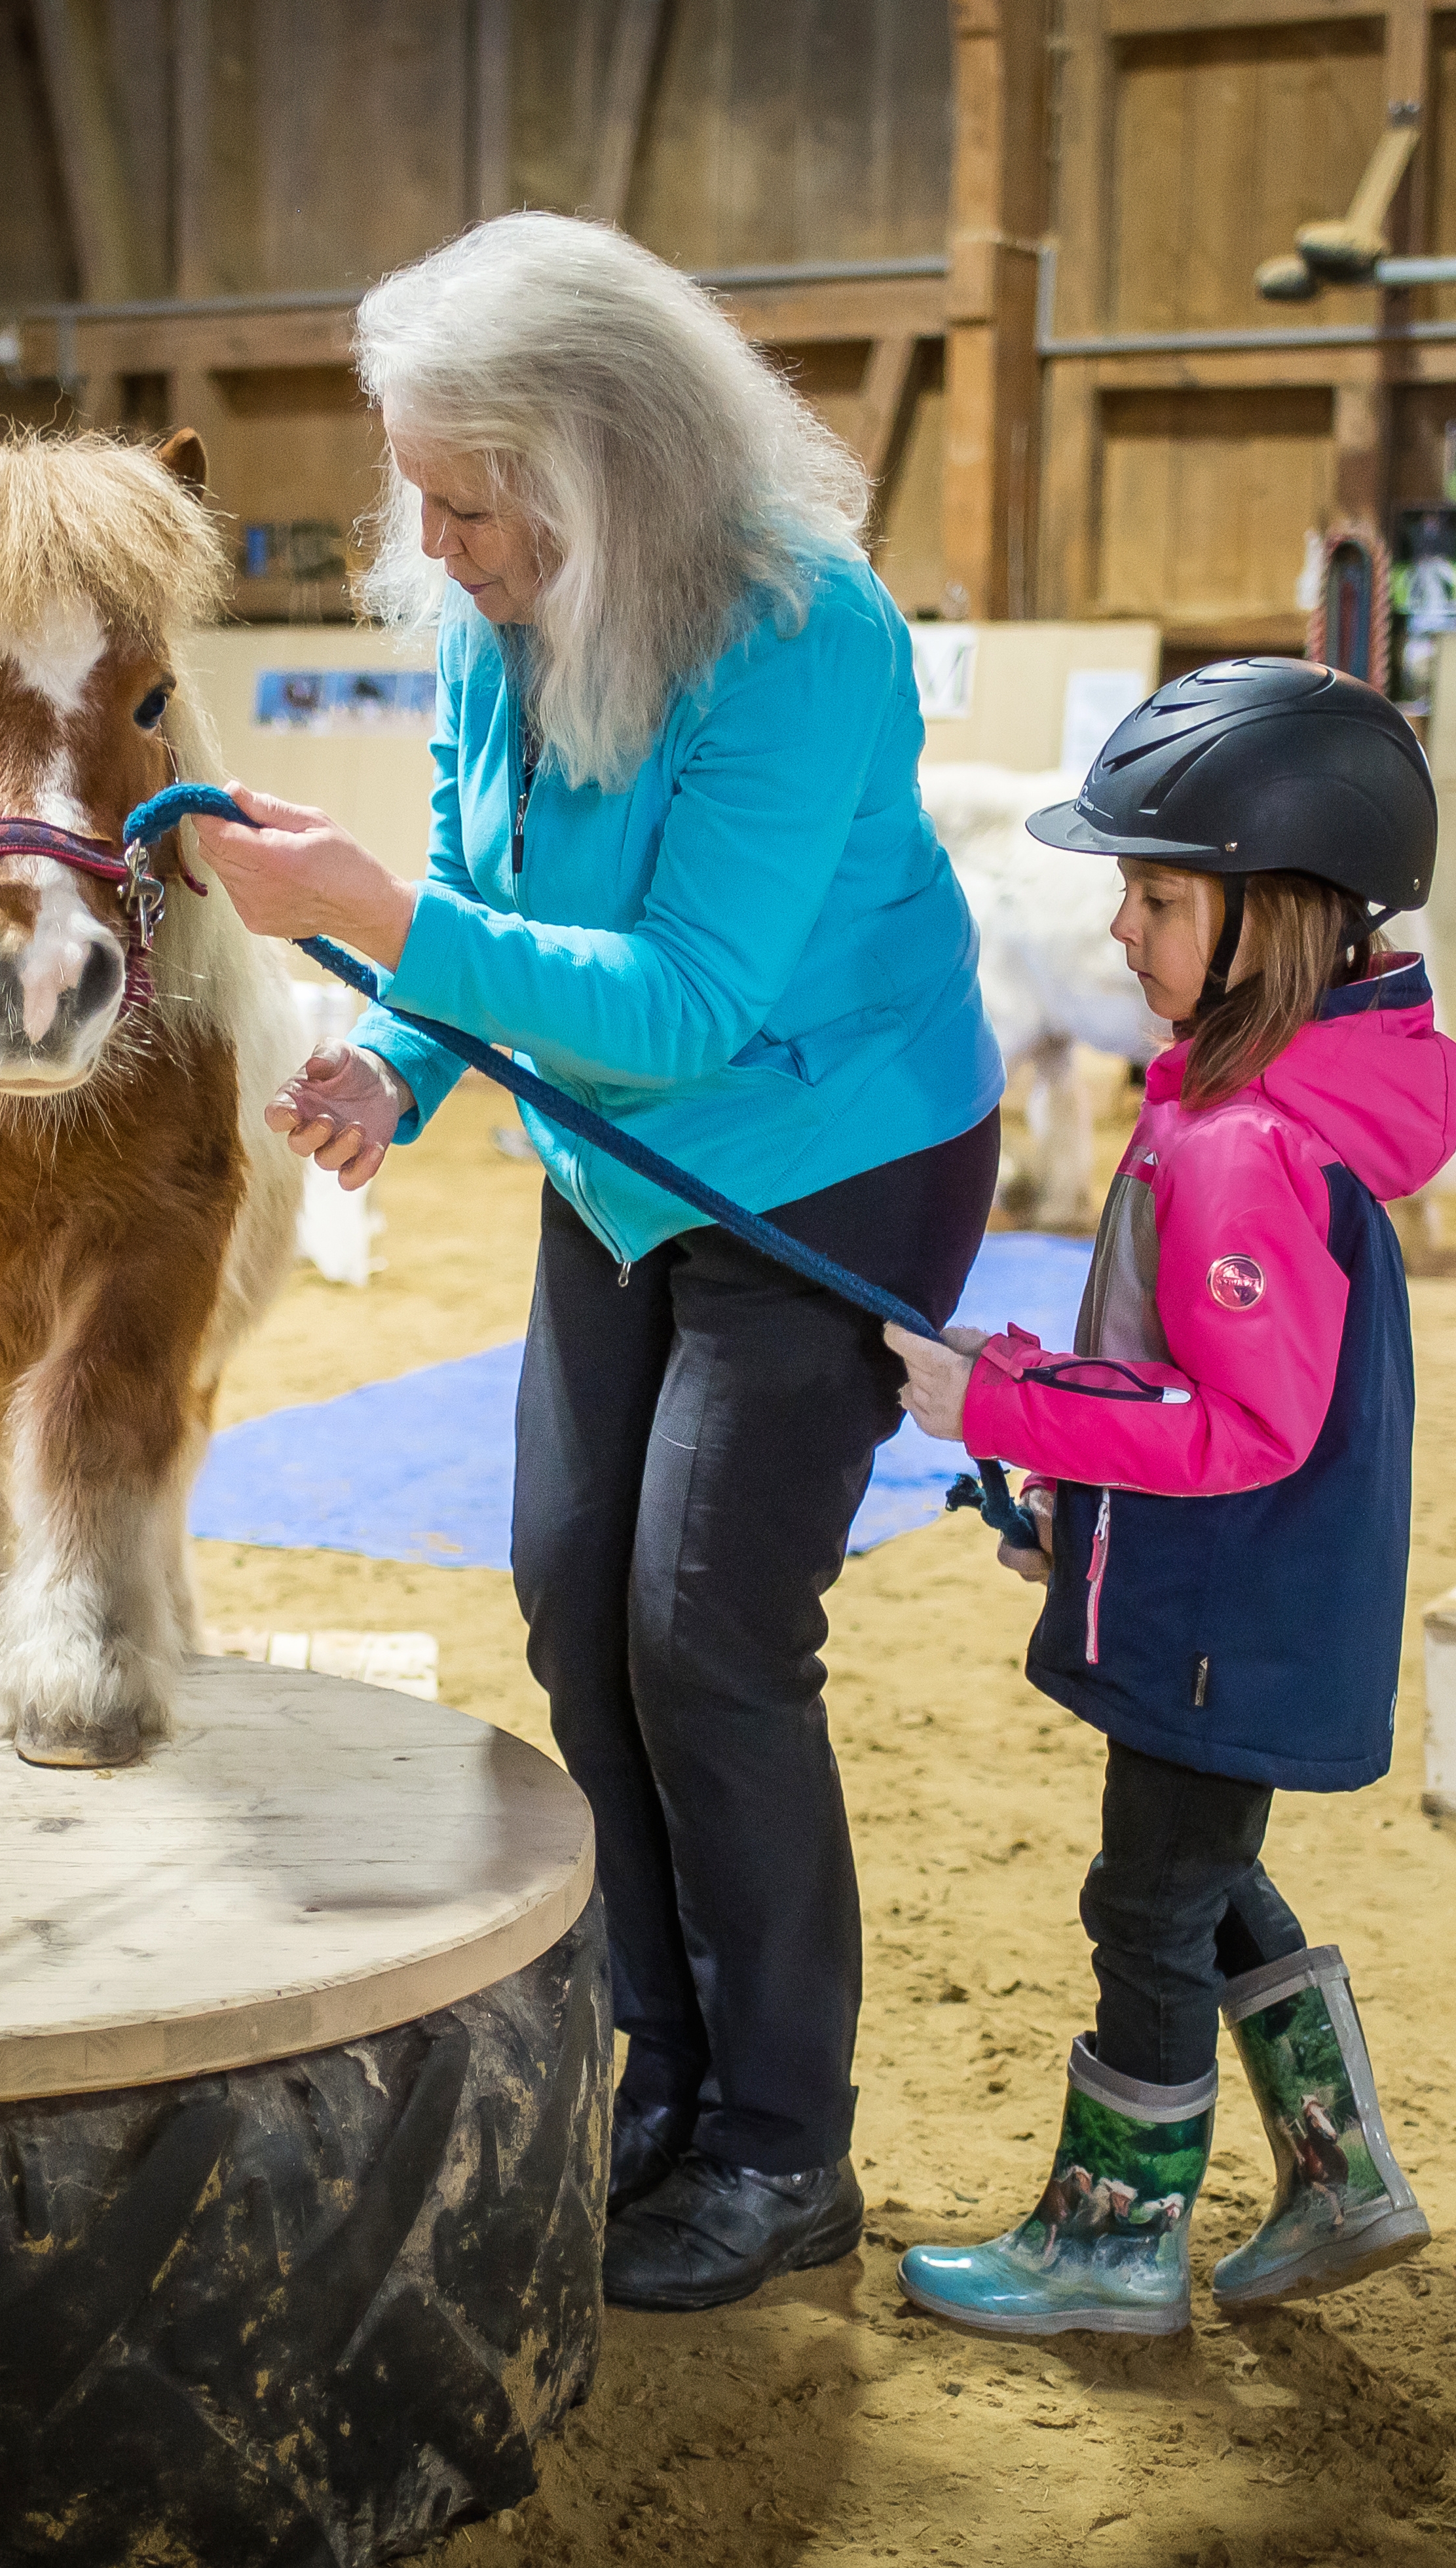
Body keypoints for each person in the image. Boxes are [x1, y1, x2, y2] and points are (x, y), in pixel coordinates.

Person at [194, 214, 1003, 2313]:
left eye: (471, 499)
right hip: (619, 1170)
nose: (435, 539)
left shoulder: (804, 631)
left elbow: (689, 999)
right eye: (425, 493)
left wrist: (371, 915)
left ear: (606, 463)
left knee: (706, 1635)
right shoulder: (499, 628)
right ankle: (657, 2068)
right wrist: (396, 1065)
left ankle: (780, 2142)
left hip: (825, 1162)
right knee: (571, 1592)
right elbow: (480, 895)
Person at [879, 658, 1456, 2338]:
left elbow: (1242, 1421)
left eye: (1153, 896)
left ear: (1267, 918)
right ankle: (1336, 2166)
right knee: (1202, 1877)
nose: (1118, 929)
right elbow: (1202, 1384)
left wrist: (1001, 1400)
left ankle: (1114, 2243)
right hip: (1229, 1585)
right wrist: (1074, 1490)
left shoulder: (1243, 1142)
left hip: (1225, 1606)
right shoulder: (1254, 1101)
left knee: (1145, 1899)